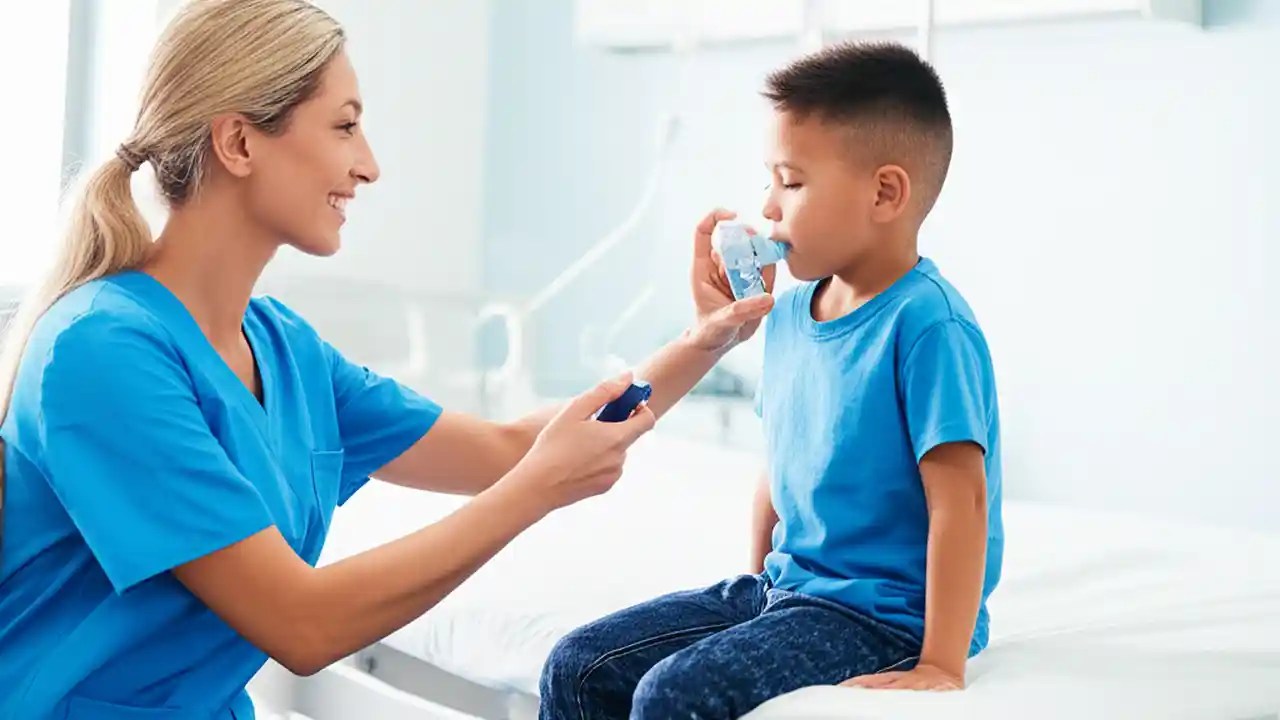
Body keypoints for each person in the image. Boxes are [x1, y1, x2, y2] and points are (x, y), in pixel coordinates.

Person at [0, 1, 775, 717]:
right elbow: (301, 624)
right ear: (238, 143)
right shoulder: (100, 353)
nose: (369, 166)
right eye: (344, 128)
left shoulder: (281, 347)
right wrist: (537, 491)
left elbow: (507, 448)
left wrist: (707, 339)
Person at [539, 41, 1004, 719]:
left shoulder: (930, 326)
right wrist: (760, 586)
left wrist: (940, 662)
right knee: (578, 666)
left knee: (673, 695)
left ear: (884, 193)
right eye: (770, 181)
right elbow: (780, 467)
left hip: (883, 618)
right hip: (785, 592)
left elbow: (962, 502)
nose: (769, 206)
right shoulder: (784, 314)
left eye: (791, 182)